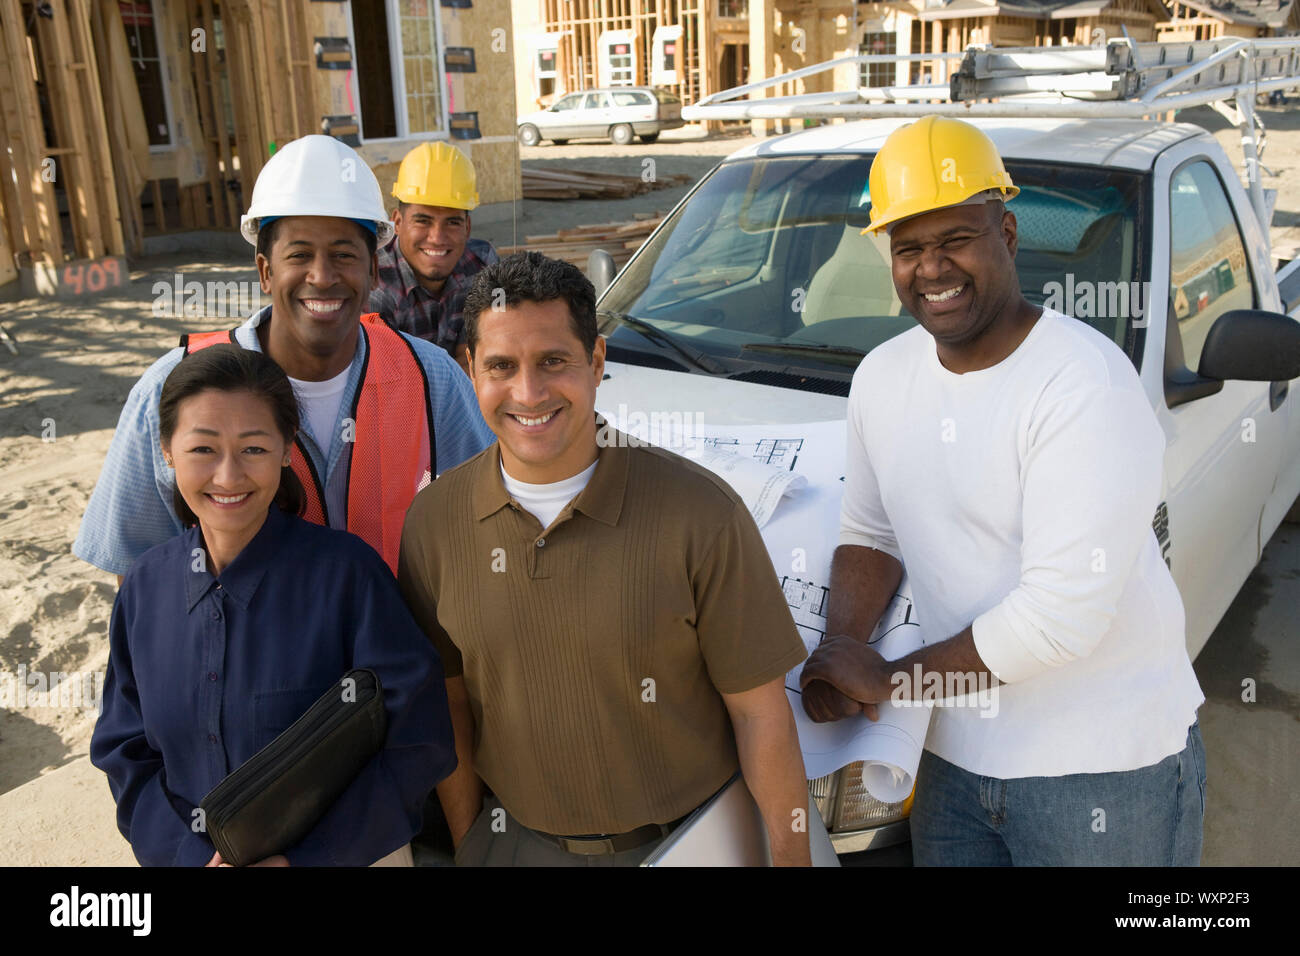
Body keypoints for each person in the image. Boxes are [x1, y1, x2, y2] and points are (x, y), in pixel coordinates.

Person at [799, 115, 1206, 866]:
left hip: (1099, 767)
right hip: (952, 754)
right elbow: (873, 530)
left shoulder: (1082, 383)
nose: (931, 268)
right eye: (909, 247)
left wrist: (884, 679)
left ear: (1008, 235)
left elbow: (1059, 618)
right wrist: (842, 647)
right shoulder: (883, 378)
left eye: (955, 240)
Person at [397, 252, 813, 866]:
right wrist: (473, 845)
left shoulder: (701, 514)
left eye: (553, 362)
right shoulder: (434, 523)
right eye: (502, 367)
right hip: (518, 848)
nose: (528, 392)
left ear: (595, 362)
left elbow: (761, 716)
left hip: (688, 845)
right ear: (470, 370)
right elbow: (450, 701)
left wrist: (792, 858)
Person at [90, 344, 456, 866]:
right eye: (202, 450)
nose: (228, 476)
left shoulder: (348, 576)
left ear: (286, 449)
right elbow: (125, 750)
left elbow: (419, 740)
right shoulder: (143, 591)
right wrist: (186, 856)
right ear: (167, 451)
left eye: (254, 449)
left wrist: (304, 859)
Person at [73, 135, 494, 580]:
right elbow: (137, 575)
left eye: (343, 254)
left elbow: (486, 518)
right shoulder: (170, 391)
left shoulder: (433, 381)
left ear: (373, 269)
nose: (322, 275)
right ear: (265, 271)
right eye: (299, 255)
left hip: (393, 647)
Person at [368, 141, 498, 376]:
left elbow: (478, 359)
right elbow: (391, 384)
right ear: (397, 222)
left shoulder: (481, 264)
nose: (437, 238)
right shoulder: (375, 283)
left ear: (467, 228)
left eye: (452, 222)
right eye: (423, 220)